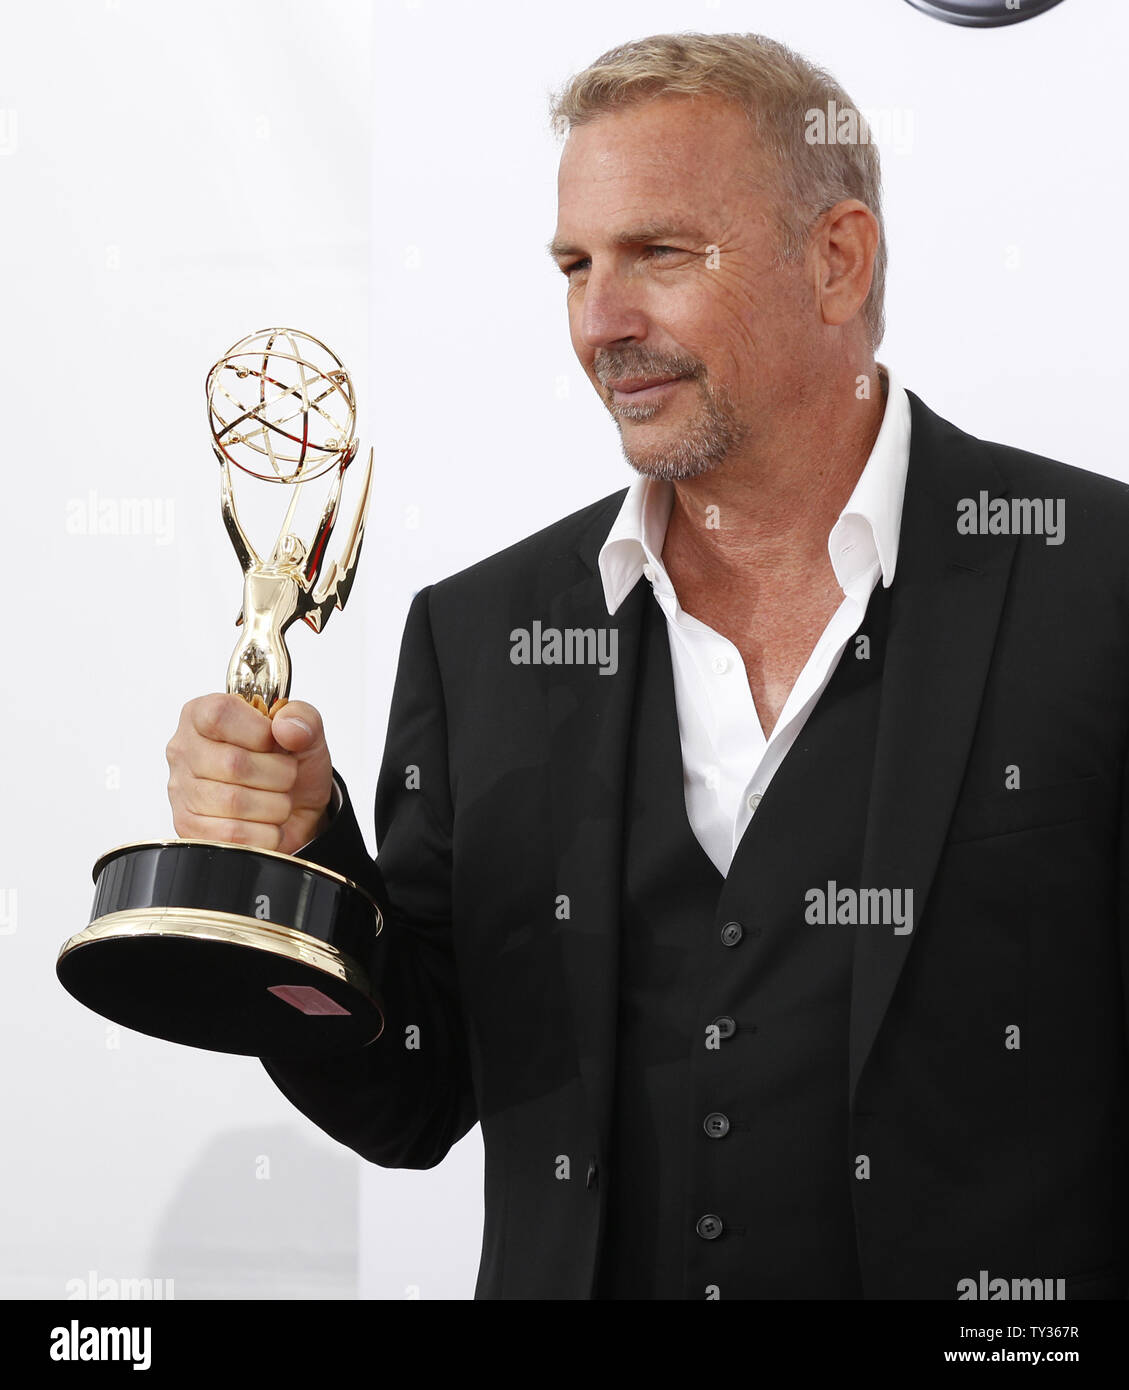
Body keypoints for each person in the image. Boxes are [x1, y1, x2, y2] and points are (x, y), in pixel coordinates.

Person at [164, 32, 1129, 1300]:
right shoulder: (484, 635)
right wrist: (292, 881)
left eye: (660, 254)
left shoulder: (1095, 582)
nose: (600, 324)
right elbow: (411, 1095)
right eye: (575, 266)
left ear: (836, 261)